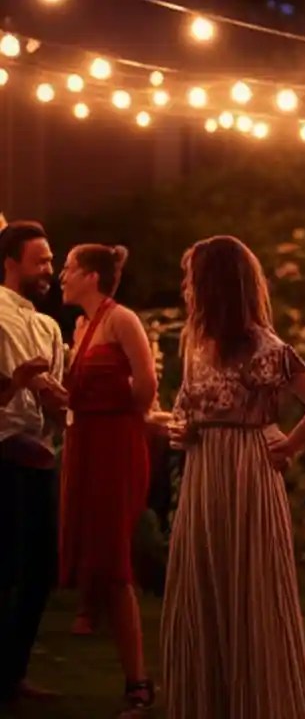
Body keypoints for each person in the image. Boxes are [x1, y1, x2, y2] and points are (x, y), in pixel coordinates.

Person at [161, 235, 305, 719]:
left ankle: (258, 701)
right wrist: (180, 429)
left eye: (192, 278)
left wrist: (291, 443)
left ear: (212, 284)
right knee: (205, 583)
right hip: (204, 470)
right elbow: (187, 406)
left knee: (248, 588)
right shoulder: (194, 343)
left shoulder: (265, 346)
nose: (186, 288)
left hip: (245, 471)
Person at [58, 244, 157, 711]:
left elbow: (146, 385)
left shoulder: (122, 320)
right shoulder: (80, 328)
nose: (62, 275)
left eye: (70, 268)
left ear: (93, 276)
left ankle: (137, 682)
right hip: (86, 444)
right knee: (95, 549)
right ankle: (90, 614)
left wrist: (121, 415)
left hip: (116, 443)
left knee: (116, 559)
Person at [0, 221, 65, 706]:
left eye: (50, 260)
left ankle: (12, 673)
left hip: (39, 460)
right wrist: (17, 382)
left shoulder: (48, 327)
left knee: (40, 570)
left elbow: (54, 410)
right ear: (11, 262)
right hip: (2, 455)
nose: (50, 268)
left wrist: (59, 402)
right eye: (40, 260)